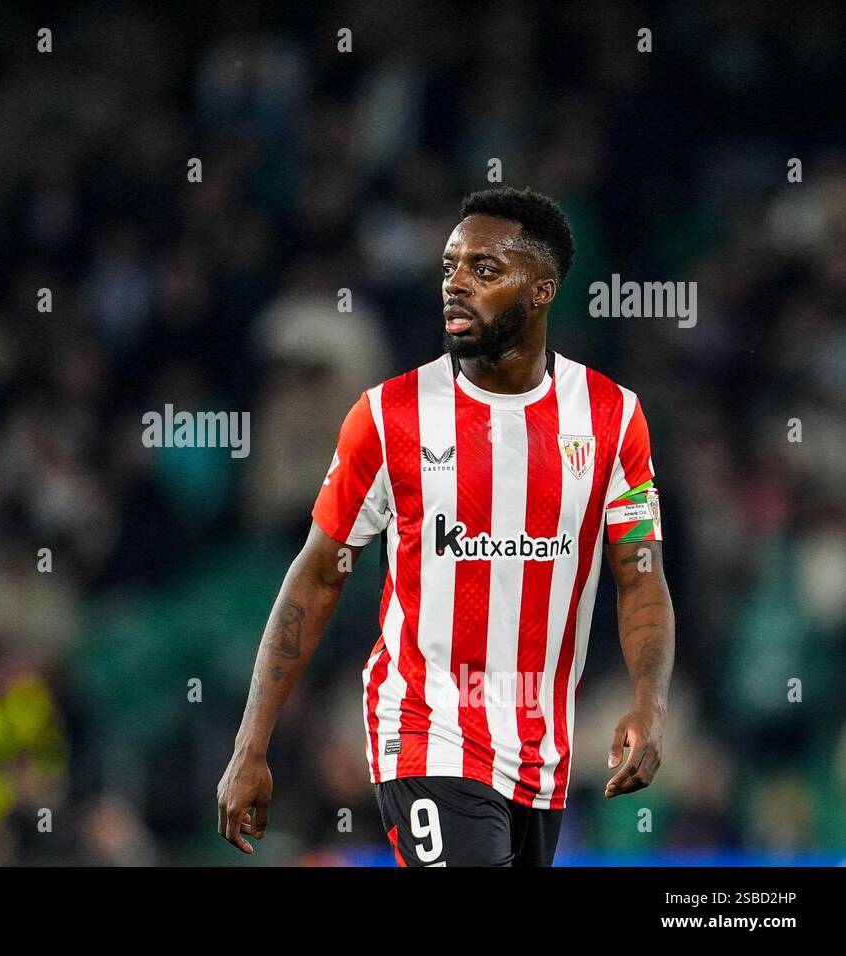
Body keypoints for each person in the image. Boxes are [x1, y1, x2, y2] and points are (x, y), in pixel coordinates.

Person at [216, 186, 675, 866]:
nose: (456, 284)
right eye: (449, 267)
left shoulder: (611, 417)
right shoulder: (388, 417)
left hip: (542, 749)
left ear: (542, 289)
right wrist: (250, 745)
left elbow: (641, 579)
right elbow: (316, 576)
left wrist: (650, 703)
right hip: (424, 727)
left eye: (484, 270)